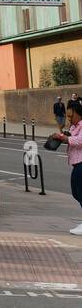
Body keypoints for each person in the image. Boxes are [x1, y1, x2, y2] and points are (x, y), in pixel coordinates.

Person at [64, 100, 82, 236]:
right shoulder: (73, 127)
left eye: (71, 116)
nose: (69, 119)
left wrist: (66, 139)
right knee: (76, 193)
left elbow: (79, 141)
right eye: (68, 116)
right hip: (76, 163)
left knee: (80, 193)